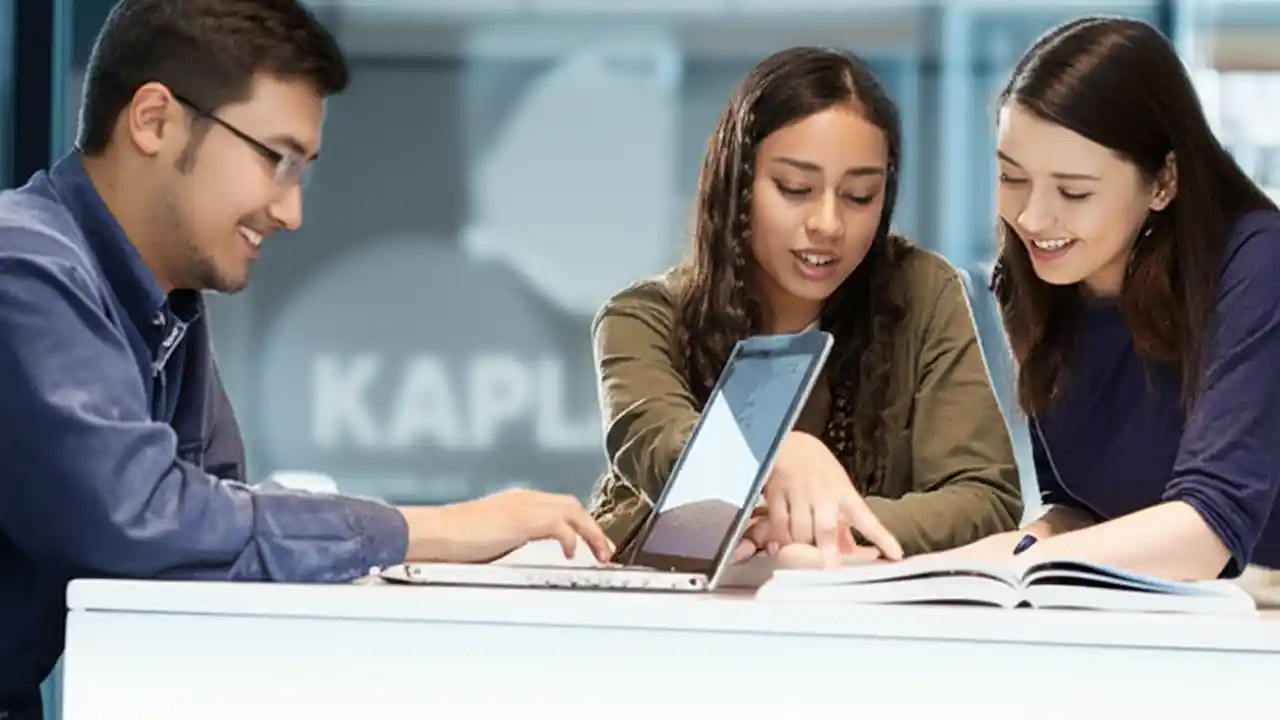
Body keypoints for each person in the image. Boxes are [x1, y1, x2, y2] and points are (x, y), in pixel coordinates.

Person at [0, 2, 611, 716]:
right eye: (276, 160)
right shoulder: (25, 270)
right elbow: (138, 521)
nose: (290, 211)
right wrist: (436, 530)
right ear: (154, 120)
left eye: (303, 172)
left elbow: (219, 520)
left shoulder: (163, 305)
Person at [587, 46, 1023, 569]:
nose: (829, 223)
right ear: (738, 185)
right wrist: (779, 456)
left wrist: (821, 526)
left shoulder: (922, 292)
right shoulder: (640, 318)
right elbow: (658, 448)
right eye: (795, 188)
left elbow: (986, 498)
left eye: (860, 195)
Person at [944, 17, 1280, 581]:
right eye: (1011, 177)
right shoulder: (1036, 277)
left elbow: (1208, 530)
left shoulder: (1255, 263)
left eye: (1073, 191)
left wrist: (1028, 569)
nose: (1031, 218)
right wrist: (973, 565)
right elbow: (1075, 505)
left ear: (1162, 182)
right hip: (1158, 618)